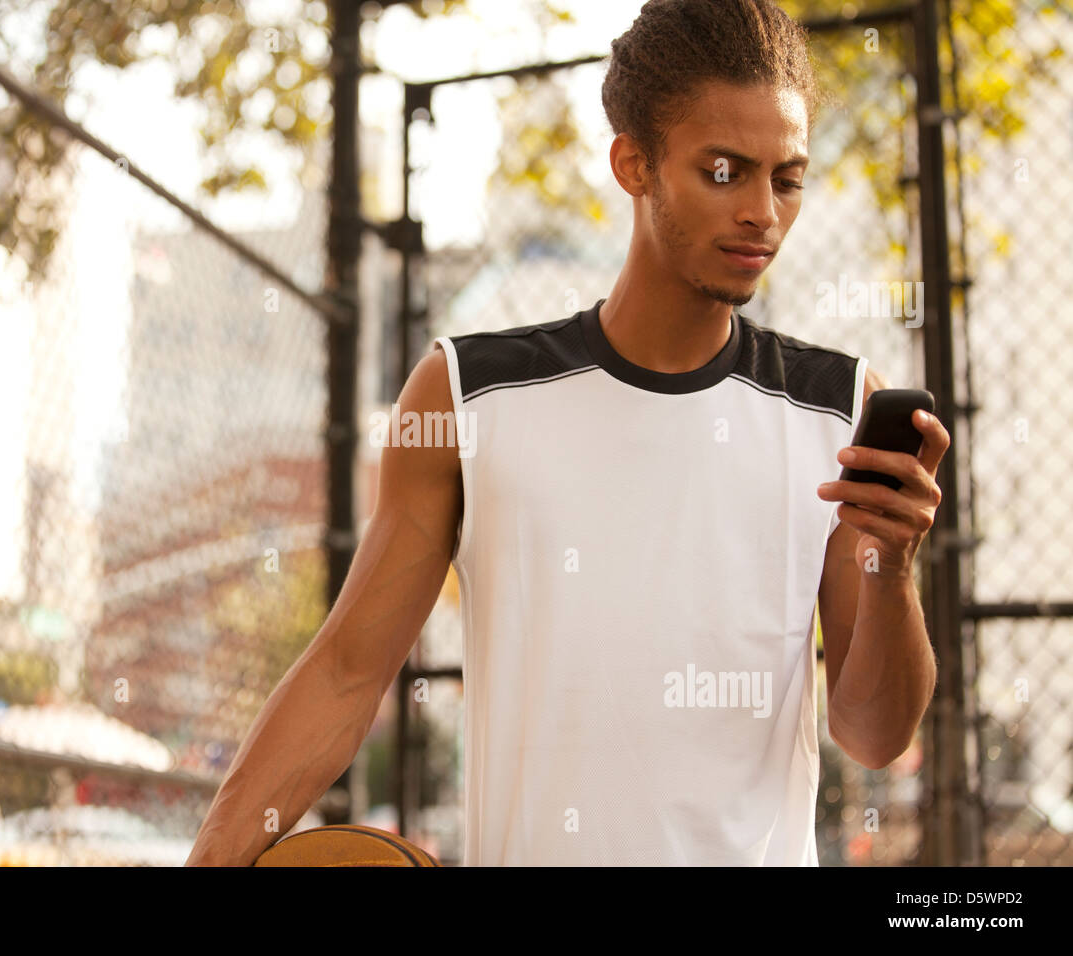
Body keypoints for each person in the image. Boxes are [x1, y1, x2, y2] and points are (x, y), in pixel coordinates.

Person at [185, 0, 949, 867]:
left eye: (787, 177)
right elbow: (346, 674)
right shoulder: (468, 395)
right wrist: (213, 854)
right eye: (725, 171)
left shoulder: (837, 410)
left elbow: (875, 734)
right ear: (635, 163)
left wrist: (892, 570)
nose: (762, 213)